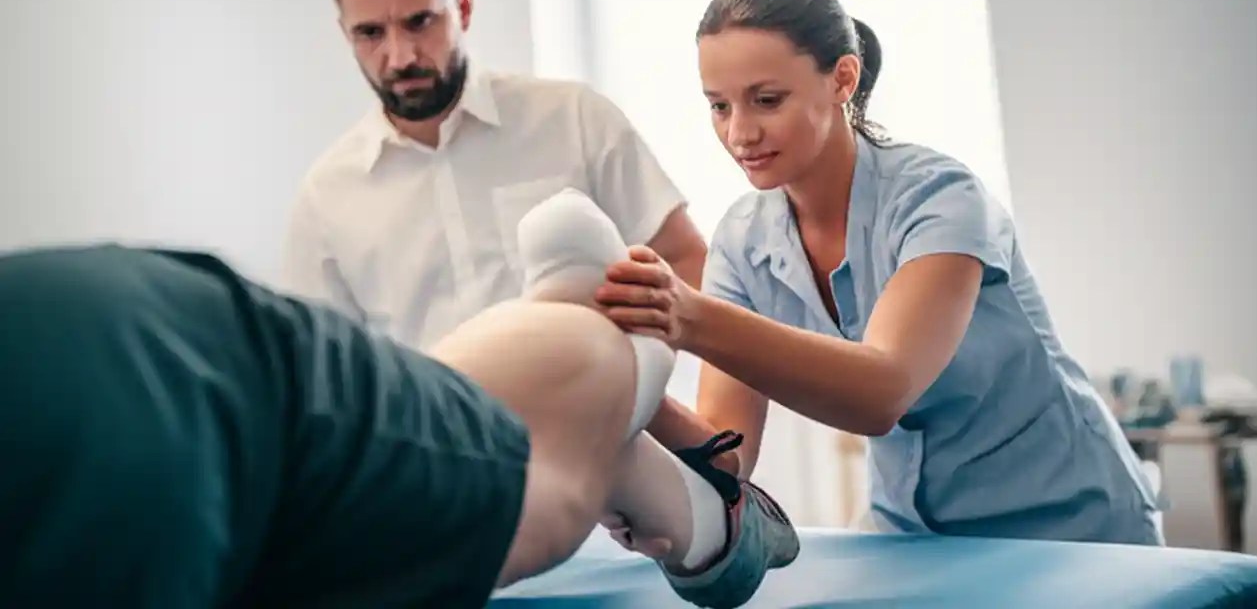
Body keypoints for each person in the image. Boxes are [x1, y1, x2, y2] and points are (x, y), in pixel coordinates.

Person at [0, 189, 795, 609]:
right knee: (512, 419)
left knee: (539, 484)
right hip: (140, 369)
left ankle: (606, 344)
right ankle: (694, 497)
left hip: (163, 389)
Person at [595, 0, 1164, 546]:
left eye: (767, 100)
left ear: (843, 78)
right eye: (719, 106)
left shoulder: (939, 197)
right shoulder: (742, 241)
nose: (740, 133)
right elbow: (725, 456)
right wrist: (630, 406)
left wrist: (688, 317)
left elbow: (881, 392)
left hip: (1073, 525)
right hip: (916, 538)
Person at [282, 0, 705, 356]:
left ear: (462, 7)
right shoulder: (326, 199)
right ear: (346, 33)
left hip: (603, 419)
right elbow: (321, 369)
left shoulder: (575, 119)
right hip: (435, 428)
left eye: (419, 22)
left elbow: (688, 263)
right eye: (370, 33)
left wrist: (639, 380)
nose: (400, 56)